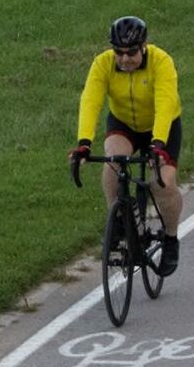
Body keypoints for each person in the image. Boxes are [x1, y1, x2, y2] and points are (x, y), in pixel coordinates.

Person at [71, 15, 183, 273]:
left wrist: (158, 144)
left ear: (144, 47)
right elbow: (90, 100)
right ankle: (119, 218)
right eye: (119, 52)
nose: (124, 59)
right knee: (112, 162)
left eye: (131, 52)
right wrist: (84, 143)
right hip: (124, 123)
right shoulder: (103, 64)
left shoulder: (161, 62)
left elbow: (165, 103)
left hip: (161, 126)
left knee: (162, 184)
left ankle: (170, 238)